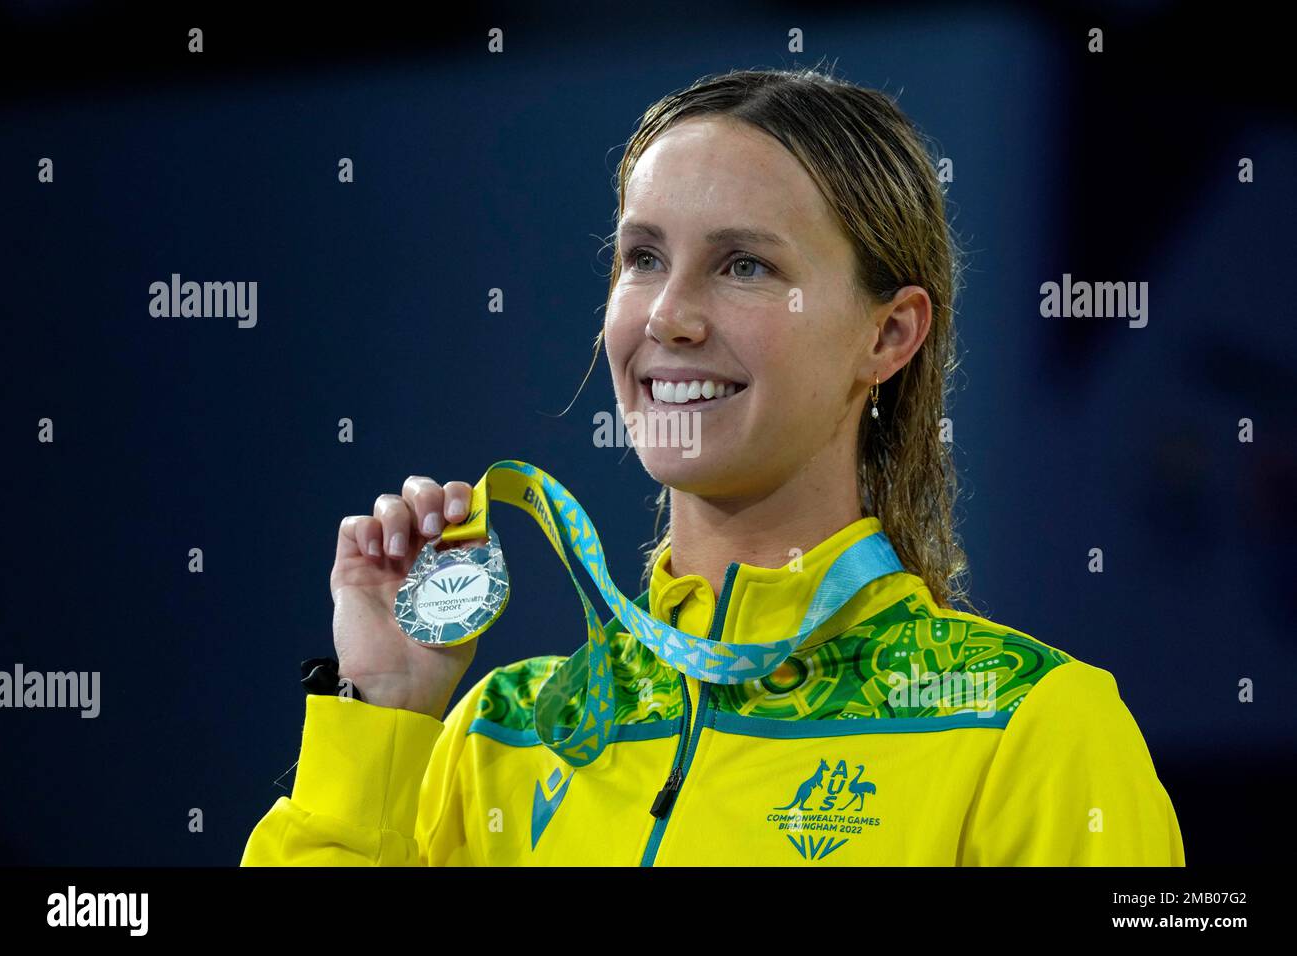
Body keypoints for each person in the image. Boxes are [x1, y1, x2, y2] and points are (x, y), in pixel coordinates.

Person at [241, 66, 1184, 866]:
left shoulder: (1026, 729)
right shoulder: (505, 736)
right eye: (643, 257)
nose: (668, 316)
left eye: (744, 267)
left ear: (888, 334)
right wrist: (383, 714)